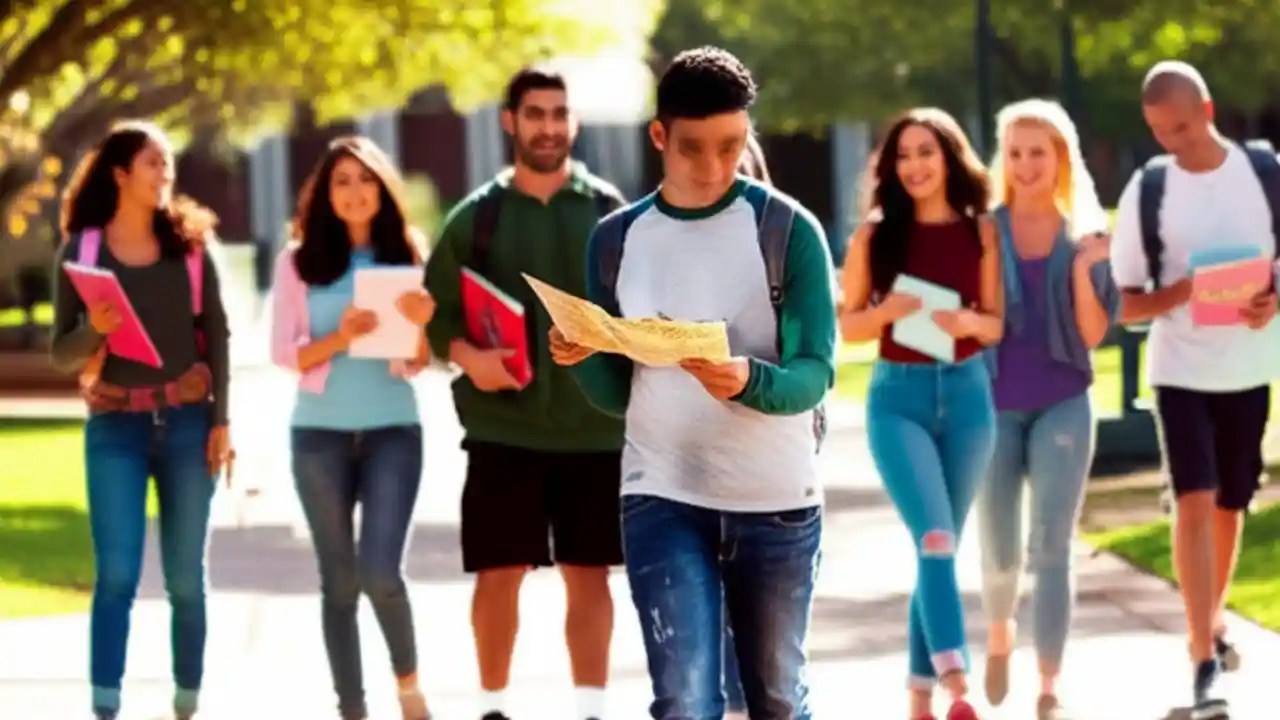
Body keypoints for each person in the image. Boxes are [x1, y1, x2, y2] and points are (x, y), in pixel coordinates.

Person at [555, 46, 836, 719]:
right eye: (694, 149)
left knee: (773, 697)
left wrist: (748, 381)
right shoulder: (616, 240)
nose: (714, 168)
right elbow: (620, 392)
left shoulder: (788, 231)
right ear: (659, 137)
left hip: (774, 498)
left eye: (732, 146)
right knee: (683, 699)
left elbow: (815, 375)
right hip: (661, 492)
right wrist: (584, 355)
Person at [423, 66, 627, 720]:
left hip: (596, 428)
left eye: (560, 113)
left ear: (573, 122)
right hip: (502, 429)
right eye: (535, 113)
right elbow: (433, 319)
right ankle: (491, 707)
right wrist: (466, 357)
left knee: (588, 572)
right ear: (510, 121)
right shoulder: (474, 220)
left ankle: (592, 710)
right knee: (499, 571)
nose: (549, 126)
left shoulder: (609, 212)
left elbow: (643, 314)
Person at [1110, 61, 1278, 720]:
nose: (1171, 143)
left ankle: (1210, 620)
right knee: (1195, 499)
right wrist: (1176, 294)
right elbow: (1123, 302)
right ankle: (1203, 655)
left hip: (1251, 365)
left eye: (1180, 128)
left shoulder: (1263, 173)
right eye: (1158, 132)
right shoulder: (1148, 189)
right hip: (1179, 368)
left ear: (1206, 110)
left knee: (1232, 503)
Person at [49, 120, 233, 720]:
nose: (166, 173)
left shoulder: (193, 249)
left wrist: (221, 422)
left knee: (185, 579)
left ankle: (187, 701)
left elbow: (219, 340)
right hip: (114, 430)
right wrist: (94, 331)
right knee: (118, 575)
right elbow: (62, 353)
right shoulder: (82, 251)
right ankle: (106, 705)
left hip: (186, 424)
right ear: (120, 173)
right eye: (154, 162)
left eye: (169, 163)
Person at [839, 107, 1002, 720]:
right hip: (898, 401)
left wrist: (967, 323)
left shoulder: (979, 231)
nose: (913, 166)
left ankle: (917, 696)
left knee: (939, 548)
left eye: (925, 152)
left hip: (966, 399)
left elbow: (996, 323)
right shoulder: (874, 236)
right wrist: (888, 311)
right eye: (902, 155)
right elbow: (848, 324)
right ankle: (957, 679)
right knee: (935, 539)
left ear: (949, 157)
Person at [269, 136, 434, 720]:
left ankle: (409, 684)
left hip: (393, 427)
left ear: (381, 190)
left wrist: (420, 327)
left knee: (381, 573)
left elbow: (416, 362)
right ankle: (352, 708)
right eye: (341, 181)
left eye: (364, 180)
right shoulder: (297, 262)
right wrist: (341, 336)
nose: (354, 192)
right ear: (325, 194)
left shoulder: (407, 254)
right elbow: (284, 355)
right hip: (319, 436)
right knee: (339, 583)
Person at [975, 99, 1117, 720]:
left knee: (1052, 546)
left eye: (1040, 152)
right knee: (1000, 547)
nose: (1027, 164)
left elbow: (1091, 338)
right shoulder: (985, 230)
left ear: (1061, 159)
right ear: (1002, 162)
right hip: (995, 406)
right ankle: (1001, 631)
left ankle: (1050, 683)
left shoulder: (1083, 238)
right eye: (1016, 153)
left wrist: (1087, 272)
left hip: (1063, 403)